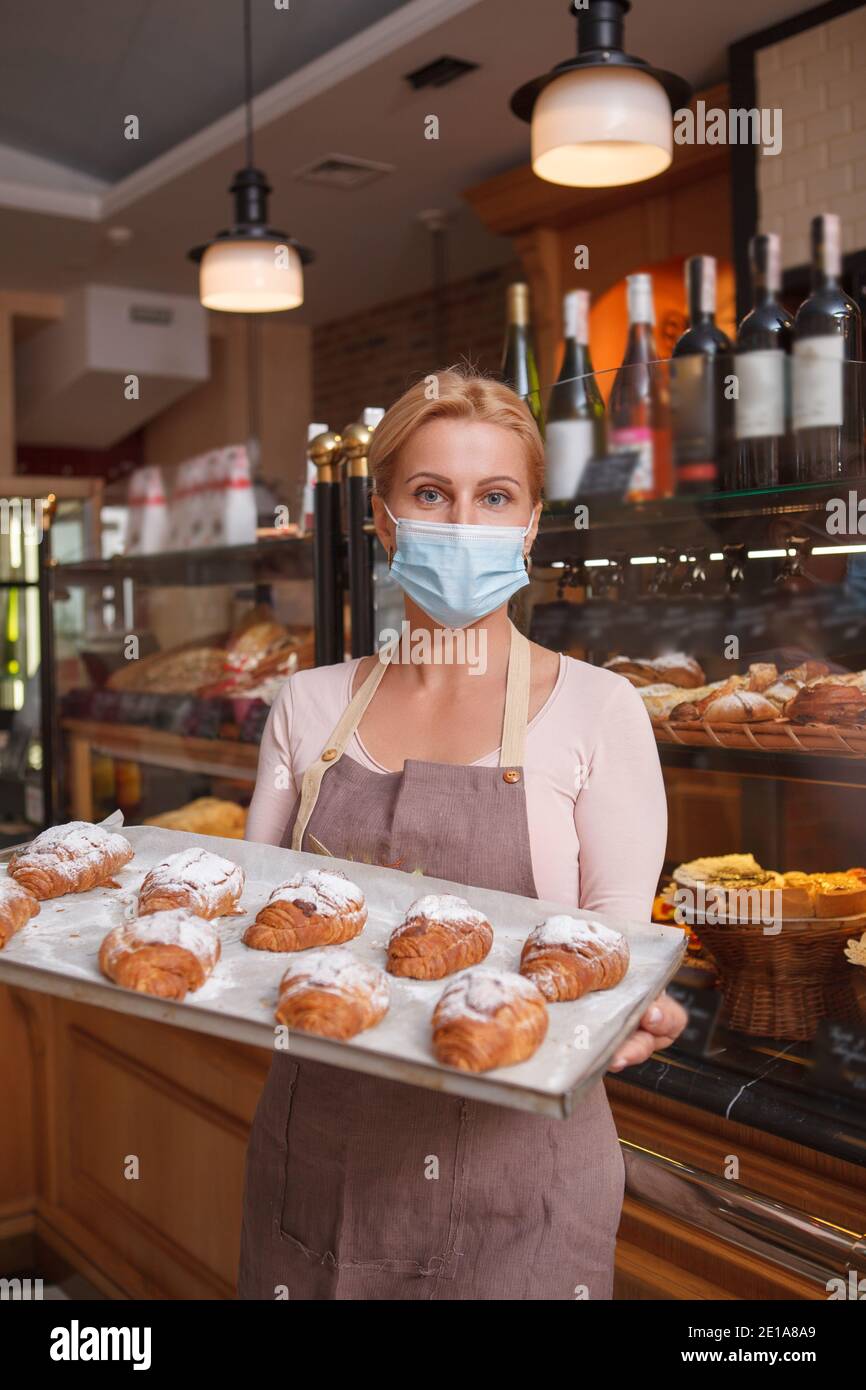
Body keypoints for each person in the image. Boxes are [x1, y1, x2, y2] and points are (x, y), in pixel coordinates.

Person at [238, 368, 686, 1301]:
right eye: (432, 494)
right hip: (323, 1162)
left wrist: (631, 1017)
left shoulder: (599, 712)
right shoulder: (310, 704)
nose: (464, 522)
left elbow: (614, 957)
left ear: (530, 526)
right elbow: (248, 941)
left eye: (496, 497)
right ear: (384, 517)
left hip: (520, 1185)